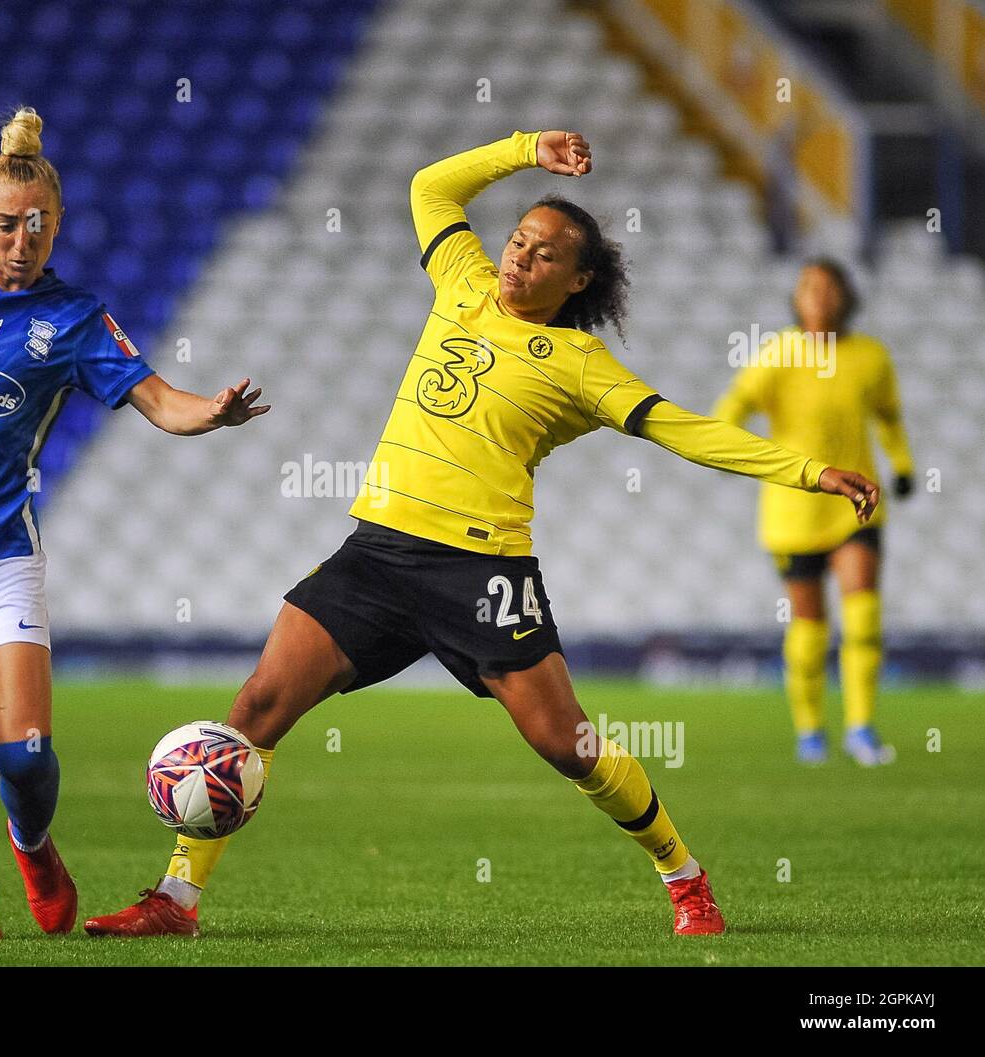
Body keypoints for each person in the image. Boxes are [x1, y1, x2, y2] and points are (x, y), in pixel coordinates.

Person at [83, 129, 879, 940]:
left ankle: (685, 875)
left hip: (482, 570)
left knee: (567, 746)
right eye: (518, 239)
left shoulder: (581, 365)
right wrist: (529, 146)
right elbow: (431, 186)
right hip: (379, 551)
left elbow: (686, 430)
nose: (519, 259)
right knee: (256, 706)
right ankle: (175, 901)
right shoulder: (462, 282)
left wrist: (810, 473)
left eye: (543, 255)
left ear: (580, 279)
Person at [0, 107, 269, 942]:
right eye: (6, 225)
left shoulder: (75, 317)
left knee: (27, 760)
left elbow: (158, 401)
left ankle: (32, 844)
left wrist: (211, 413)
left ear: (56, 226)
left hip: (3, 555)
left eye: (36, 227)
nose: (20, 241)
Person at [713, 259, 913, 766]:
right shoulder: (780, 352)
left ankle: (862, 728)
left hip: (856, 502)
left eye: (827, 287)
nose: (818, 296)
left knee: (863, 613)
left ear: (845, 296)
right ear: (797, 300)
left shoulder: (870, 357)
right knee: (809, 627)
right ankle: (810, 732)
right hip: (793, 508)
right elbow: (735, 404)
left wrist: (904, 464)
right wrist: (720, 446)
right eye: (808, 288)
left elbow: (888, 416)